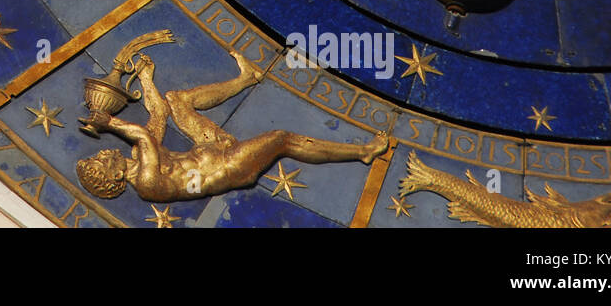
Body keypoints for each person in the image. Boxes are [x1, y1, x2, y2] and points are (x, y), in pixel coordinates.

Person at [77, 50, 389, 202]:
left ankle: (247, 77)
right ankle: (362, 151)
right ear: (116, 177)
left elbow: (157, 115)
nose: (103, 154)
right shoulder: (146, 183)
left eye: (98, 156)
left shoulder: (141, 154)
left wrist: (145, 77)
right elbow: (144, 134)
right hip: (231, 167)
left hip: (212, 149)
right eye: (103, 162)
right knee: (283, 138)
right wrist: (111, 122)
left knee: (176, 101)